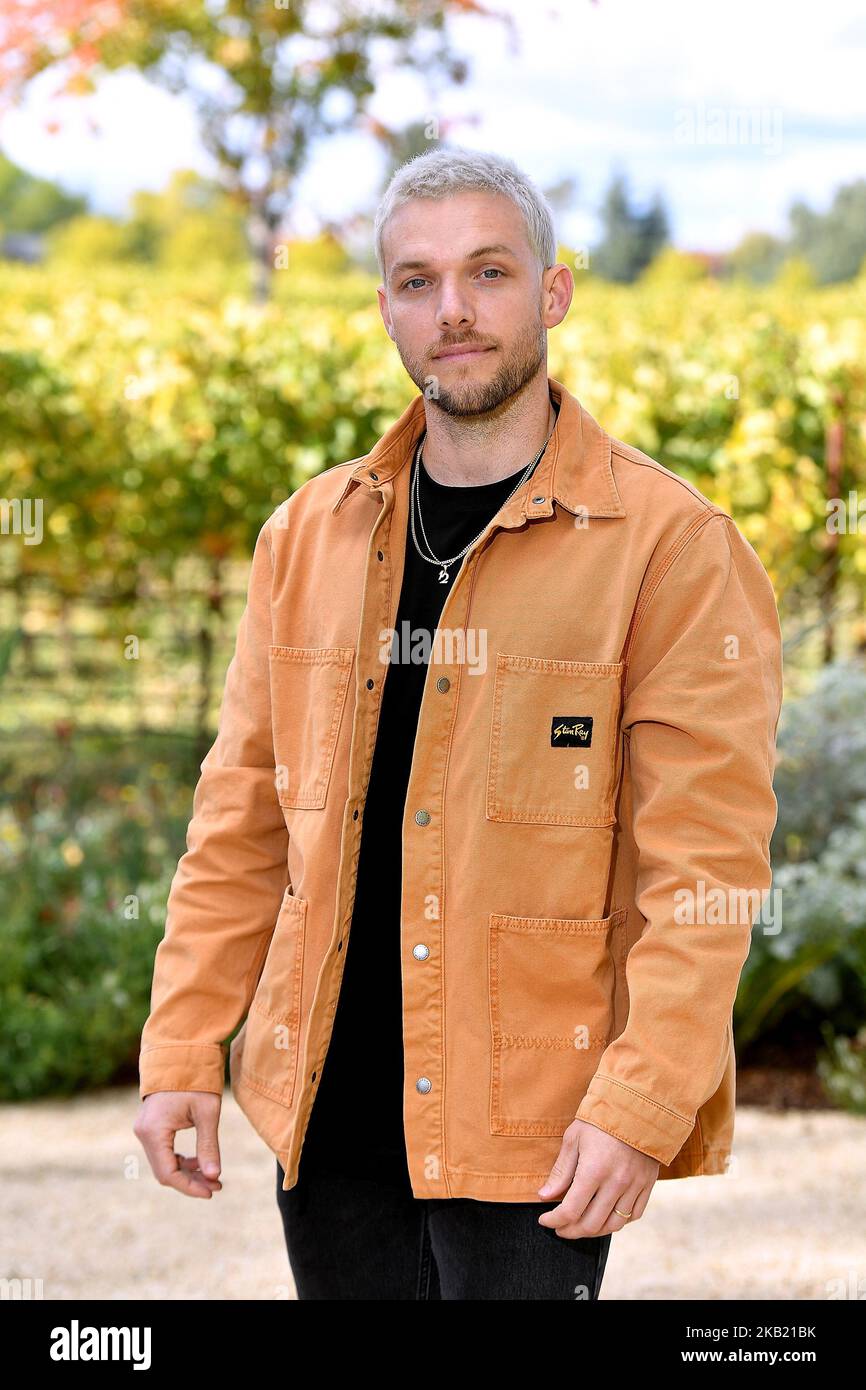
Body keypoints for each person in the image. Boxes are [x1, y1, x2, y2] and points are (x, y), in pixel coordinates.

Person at [134, 147, 783, 1301]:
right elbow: (239, 816)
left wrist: (639, 1103)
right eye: (416, 280)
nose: (453, 311)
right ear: (385, 305)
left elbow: (704, 871)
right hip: (325, 1119)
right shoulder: (307, 536)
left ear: (551, 293)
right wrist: (184, 1046)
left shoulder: (668, 548)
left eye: (487, 272)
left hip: (532, 1129)